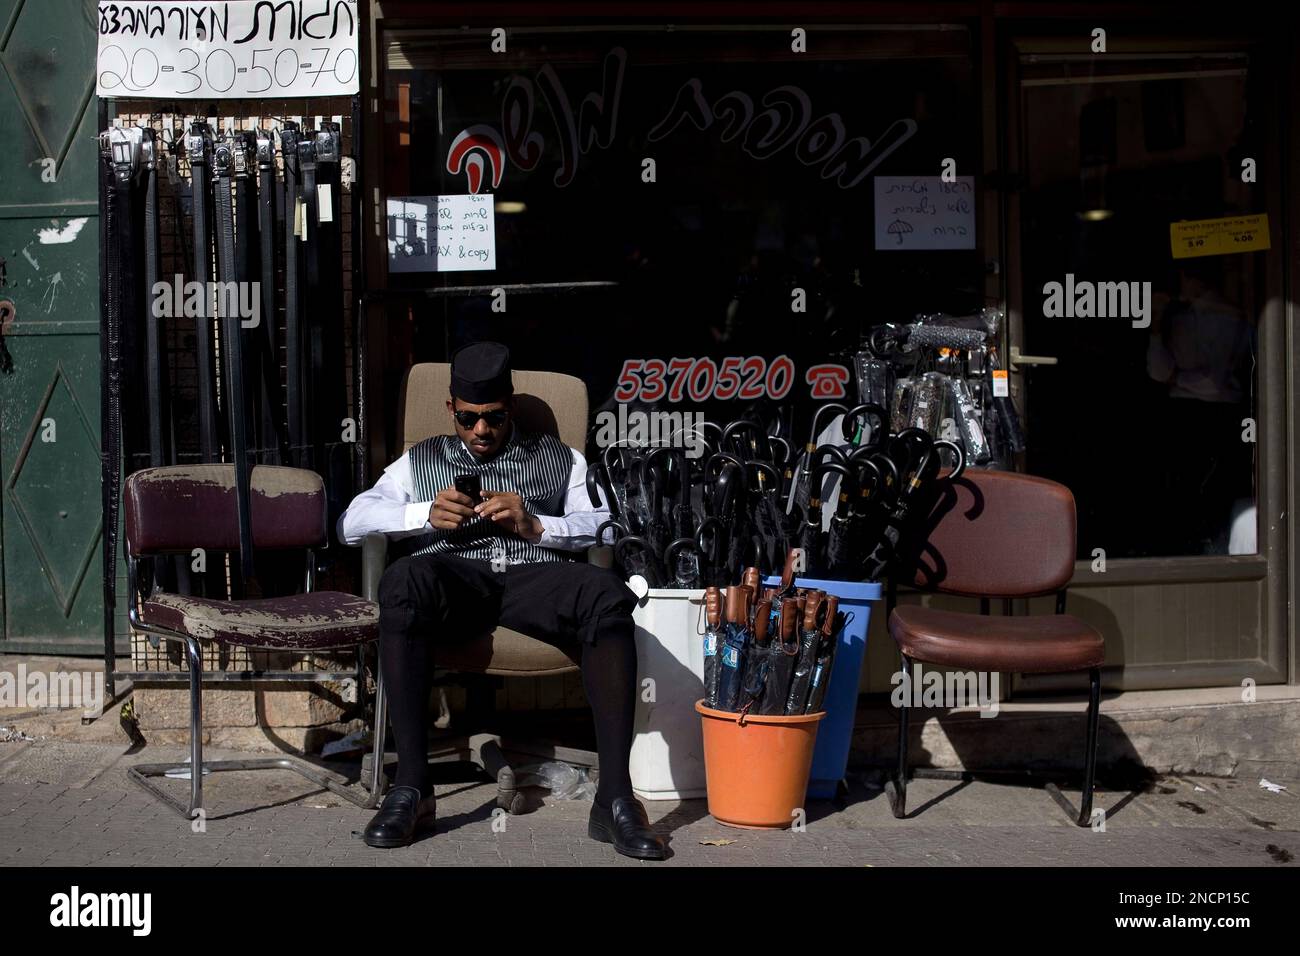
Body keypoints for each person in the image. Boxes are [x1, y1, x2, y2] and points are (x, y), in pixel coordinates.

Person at [338, 341, 666, 859]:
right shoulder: (420, 459)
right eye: (468, 420)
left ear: (510, 406)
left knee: (606, 595)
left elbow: (605, 523)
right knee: (401, 582)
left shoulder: (560, 459)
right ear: (451, 410)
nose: (481, 432)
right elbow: (351, 522)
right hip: (455, 579)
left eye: (492, 417)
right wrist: (422, 515)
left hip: (533, 576)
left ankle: (615, 801)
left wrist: (536, 524)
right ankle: (413, 788)